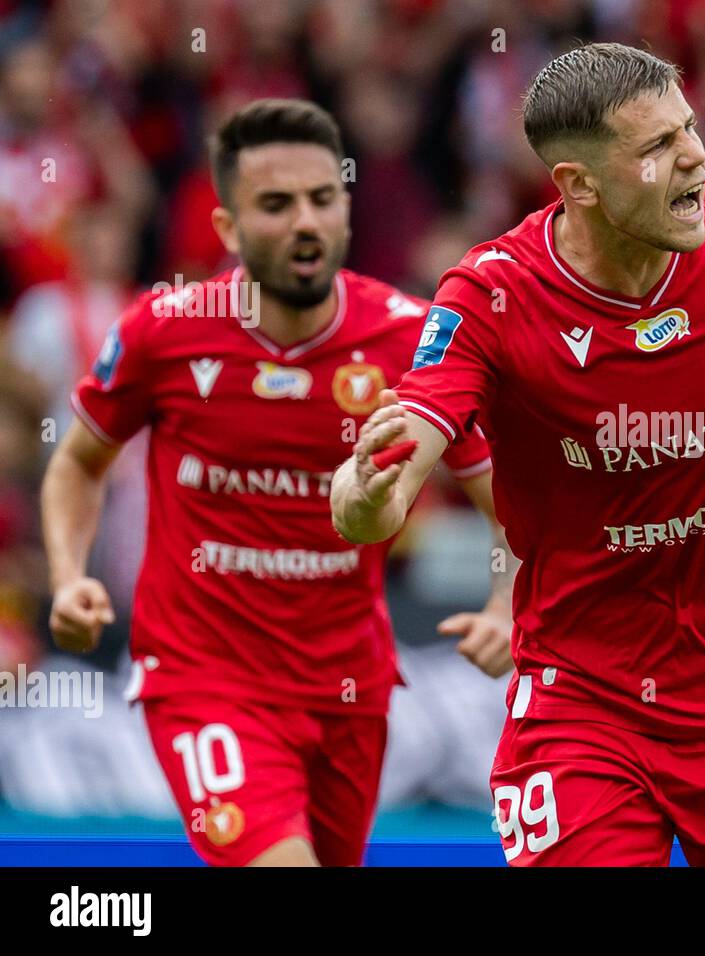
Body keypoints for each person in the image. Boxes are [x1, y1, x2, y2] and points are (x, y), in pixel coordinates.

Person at [331, 43, 705, 866]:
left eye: (688, 130)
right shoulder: (492, 295)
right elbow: (403, 454)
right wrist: (369, 492)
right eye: (656, 147)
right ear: (579, 184)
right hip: (585, 714)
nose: (693, 155)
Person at [41, 99, 514, 867]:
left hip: (348, 689)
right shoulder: (164, 331)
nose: (306, 222)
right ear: (226, 228)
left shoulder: (411, 338)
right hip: (203, 678)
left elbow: (507, 493)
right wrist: (67, 576)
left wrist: (506, 601)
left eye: (323, 199)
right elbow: (77, 464)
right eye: (276, 204)